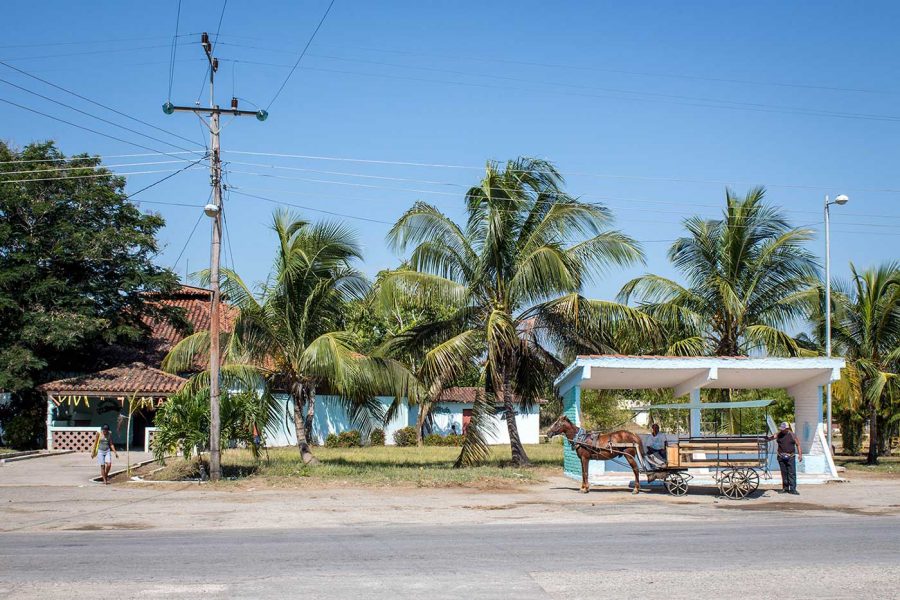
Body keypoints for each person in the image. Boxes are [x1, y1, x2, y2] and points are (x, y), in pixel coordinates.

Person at [767, 422, 802, 495]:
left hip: (790, 457)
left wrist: (800, 455)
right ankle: (785, 488)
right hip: (781, 456)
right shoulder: (779, 434)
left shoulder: (792, 435)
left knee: (791, 473)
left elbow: (798, 444)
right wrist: (766, 439)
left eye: (783, 429)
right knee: (784, 473)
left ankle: (793, 489)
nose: (782, 430)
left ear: (787, 429)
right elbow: (771, 438)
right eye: (781, 429)